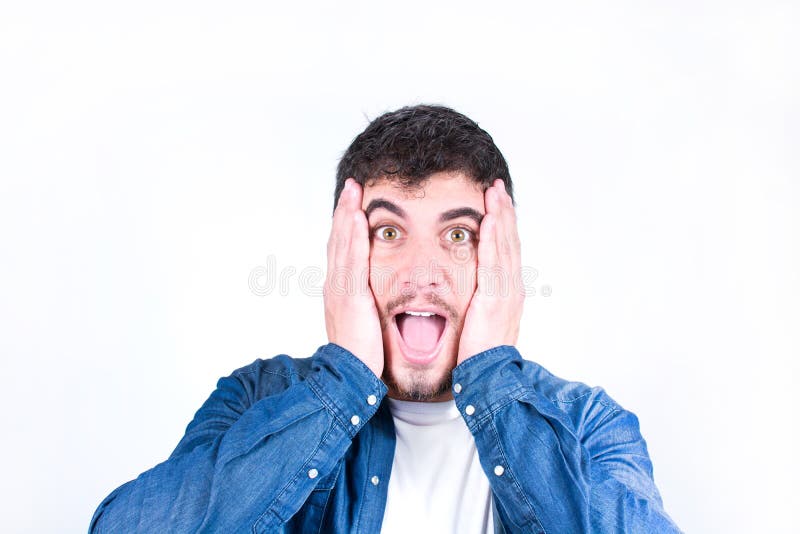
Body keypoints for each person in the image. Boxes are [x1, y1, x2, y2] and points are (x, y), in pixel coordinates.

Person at [90, 105, 681, 533]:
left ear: (499, 258)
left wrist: (494, 379)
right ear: (346, 252)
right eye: (389, 233)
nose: (422, 271)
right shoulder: (257, 397)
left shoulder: (588, 424)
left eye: (457, 235)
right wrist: (343, 382)